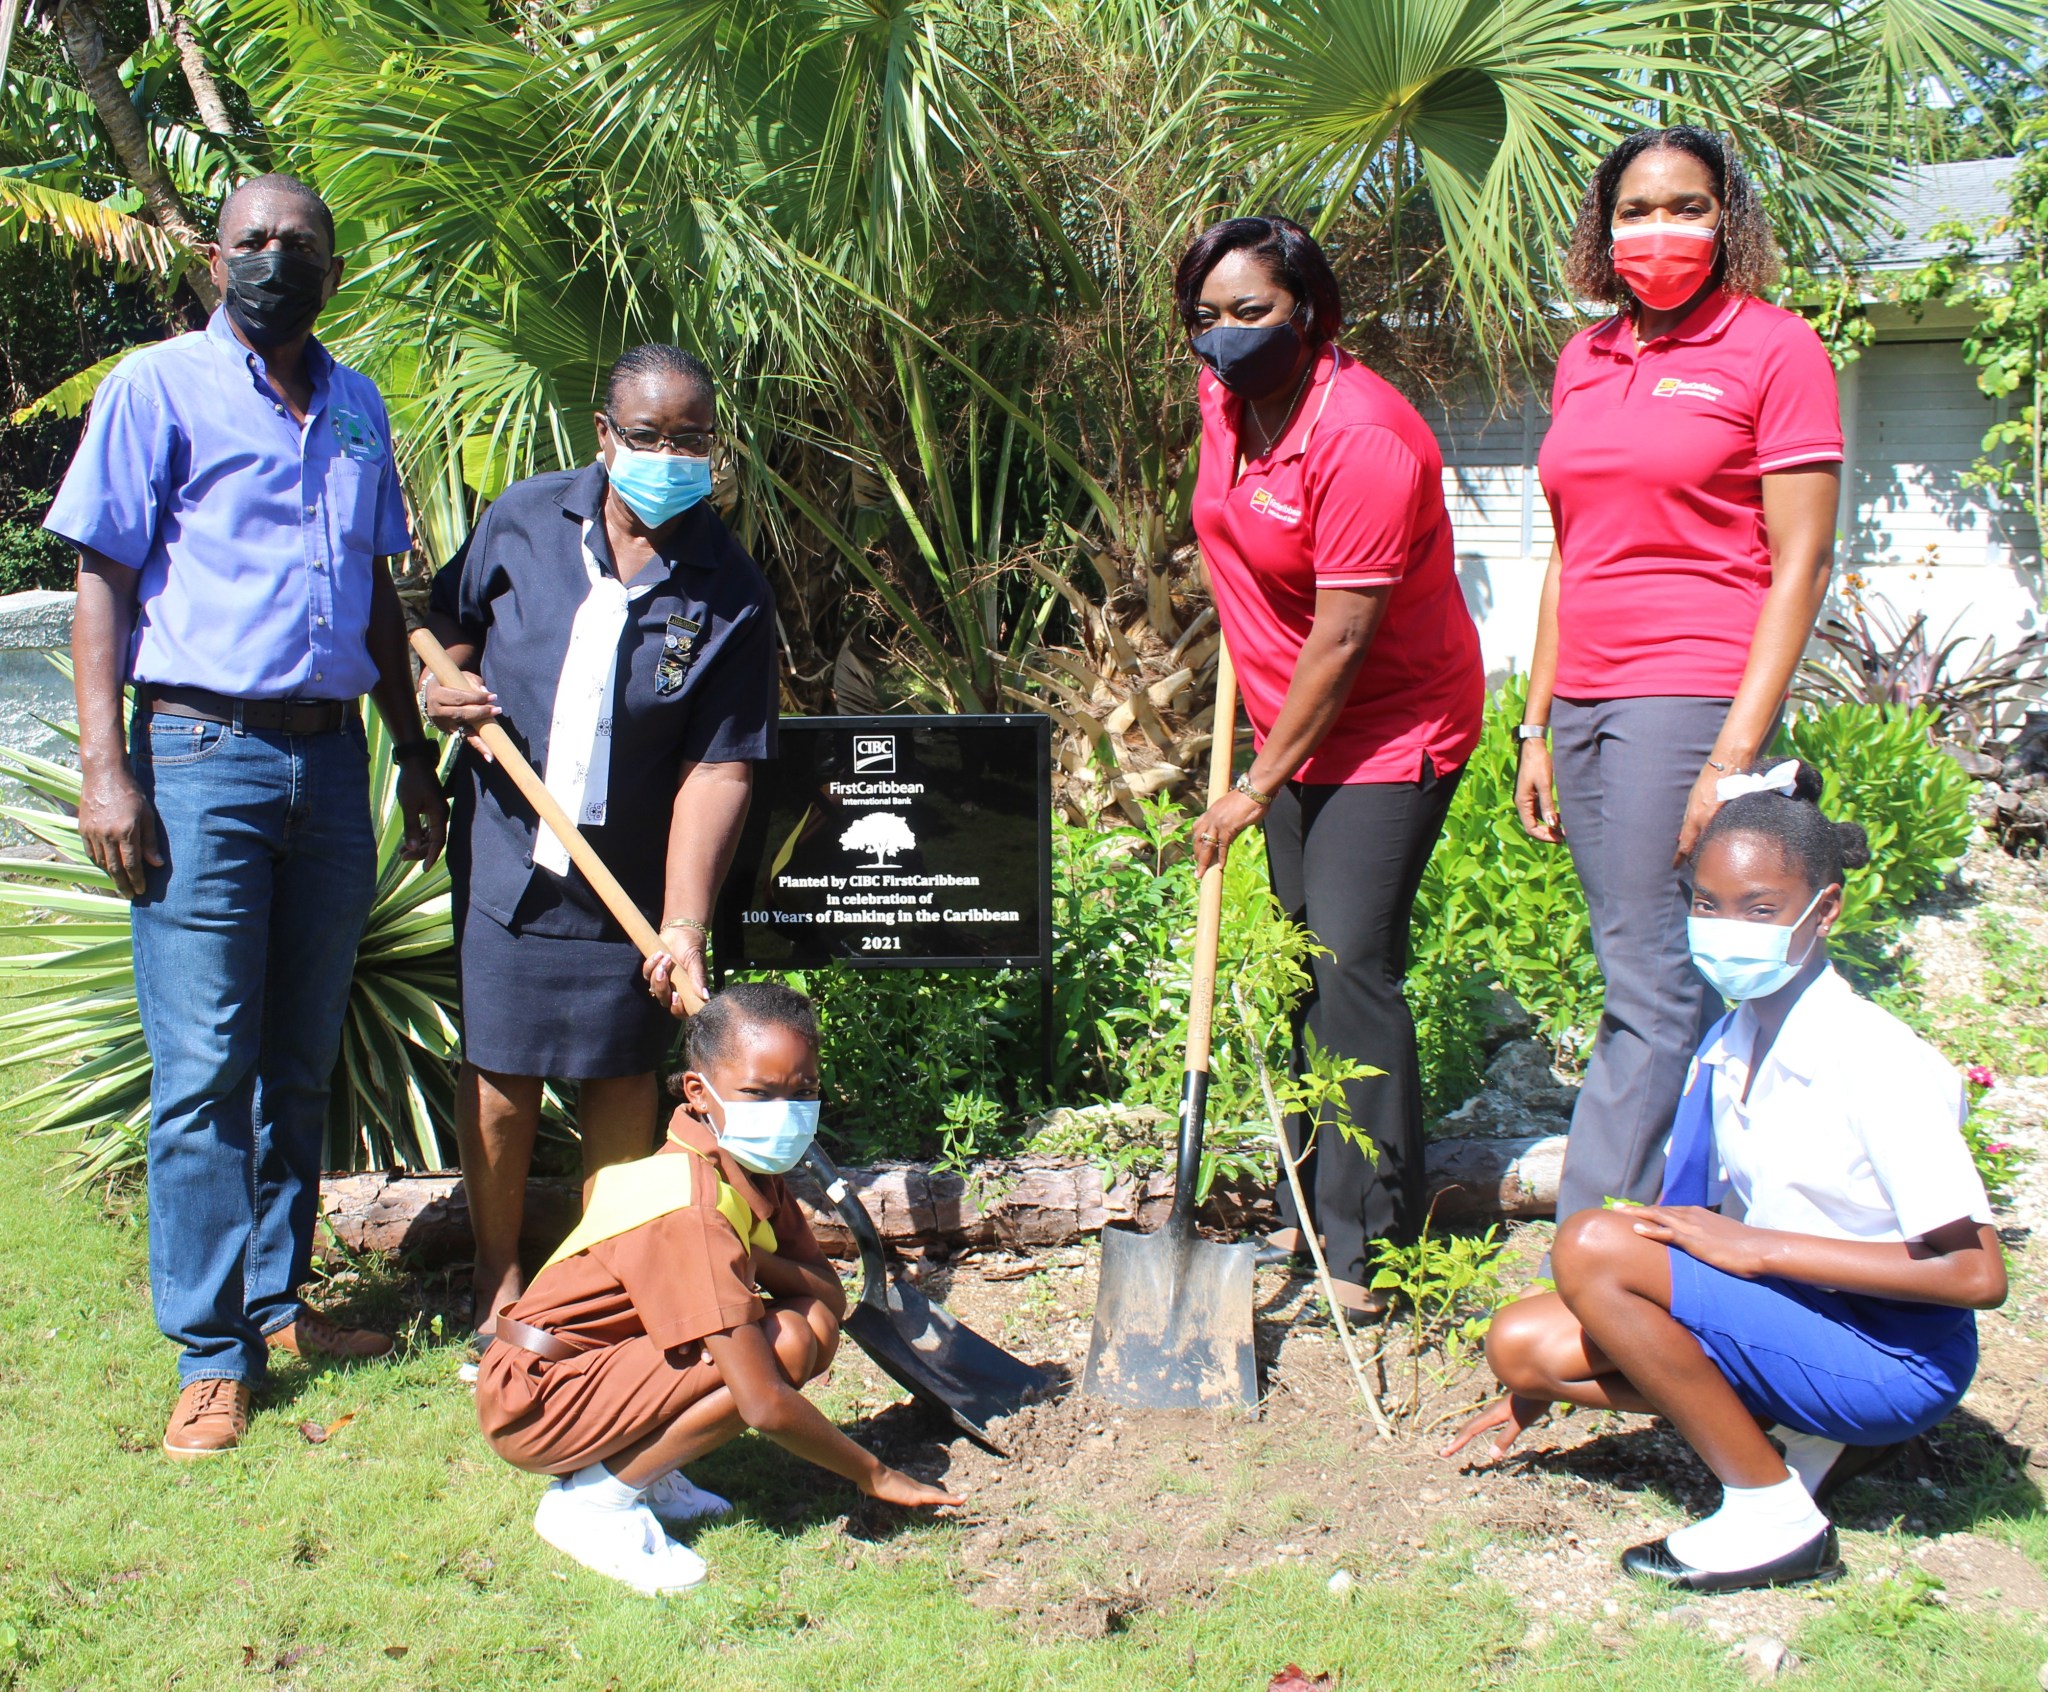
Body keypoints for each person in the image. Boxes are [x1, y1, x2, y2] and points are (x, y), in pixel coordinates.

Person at [43, 174, 448, 1459]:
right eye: (254, 241)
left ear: (334, 264)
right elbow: (99, 579)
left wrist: (414, 758)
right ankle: (209, 1354)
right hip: (201, 752)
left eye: (302, 243)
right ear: (216, 258)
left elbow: (379, 601)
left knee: (298, 1053)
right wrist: (110, 772)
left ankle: (278, 1305)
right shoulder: (155, 388)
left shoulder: (358, 405)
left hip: (330, 770)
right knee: (205, 1064)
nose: (277, 259)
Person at [1444, 763, 2007, 1593]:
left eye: (1760, 910)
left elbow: (1976, 1273)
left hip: (1893, 1352)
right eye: (1708, 905)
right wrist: (1545, 1385)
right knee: (1524, 1345)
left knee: (1592, 1239)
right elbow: (1680, 1227)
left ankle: (1773, 1514)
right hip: (1799, 1318)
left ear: (1825, 911)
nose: (1726, 928)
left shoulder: (1878, 1063)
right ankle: (1823, 1437)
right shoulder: (1729, 1045)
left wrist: (1760, 1250)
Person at [422, 343, 777, 1356]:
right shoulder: (523, 520)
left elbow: (719, 767)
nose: (671, 455)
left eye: (693, 439)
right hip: (510, 860)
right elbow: (444, 628)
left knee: (621, 1088)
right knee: (498, 1082)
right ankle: (495, 1283)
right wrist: (439, 687)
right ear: (603, 436)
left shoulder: (729, 589)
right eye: (650, 436)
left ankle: (591, 1290)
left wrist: (681, 922)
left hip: (626, 885)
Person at [1515, 127, 1843, 1222]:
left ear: (1725, 221)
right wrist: (1532, 721)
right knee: (1641, 967)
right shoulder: (1584, 356)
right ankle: (1676, 1225)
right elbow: (1570, 548)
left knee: (1652, 986)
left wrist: (1731, 758)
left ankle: (1594, 1263)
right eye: (1636, 210)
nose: (1658, 230)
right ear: (1602, 231)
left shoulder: (1771, 347)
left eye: (1685, 207)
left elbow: (1799, 559)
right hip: (1585, 701)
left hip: (1691, 686)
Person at [1178, 216, 1484, 1319]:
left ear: (1308, 312)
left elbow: (1346, 637)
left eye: (1250, 312)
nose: (1224, 338)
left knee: (1351, 960)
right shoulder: (1227, 402)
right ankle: (1302, 1204)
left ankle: (1368, 1246)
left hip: (1387, 727)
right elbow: (1234, 529)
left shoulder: (1361, 436)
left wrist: (1256, 786)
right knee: (1296, 961)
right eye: (1205, 318)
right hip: (1286, 721)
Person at [475, 982, 962, 1593]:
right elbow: (762, 1404)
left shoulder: (742, 1163)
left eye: (803, 1092)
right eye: (758, 1093)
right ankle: (597, 1500)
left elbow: (827, 1298)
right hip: (539, 1397)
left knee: (805, 1325)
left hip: (597, 1368)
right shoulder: (693, 1209)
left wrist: (754, 1256)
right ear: (699, 1093)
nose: (784, 1113)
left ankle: (645, 1465)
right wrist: (874, 1475)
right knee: (783, 1341)